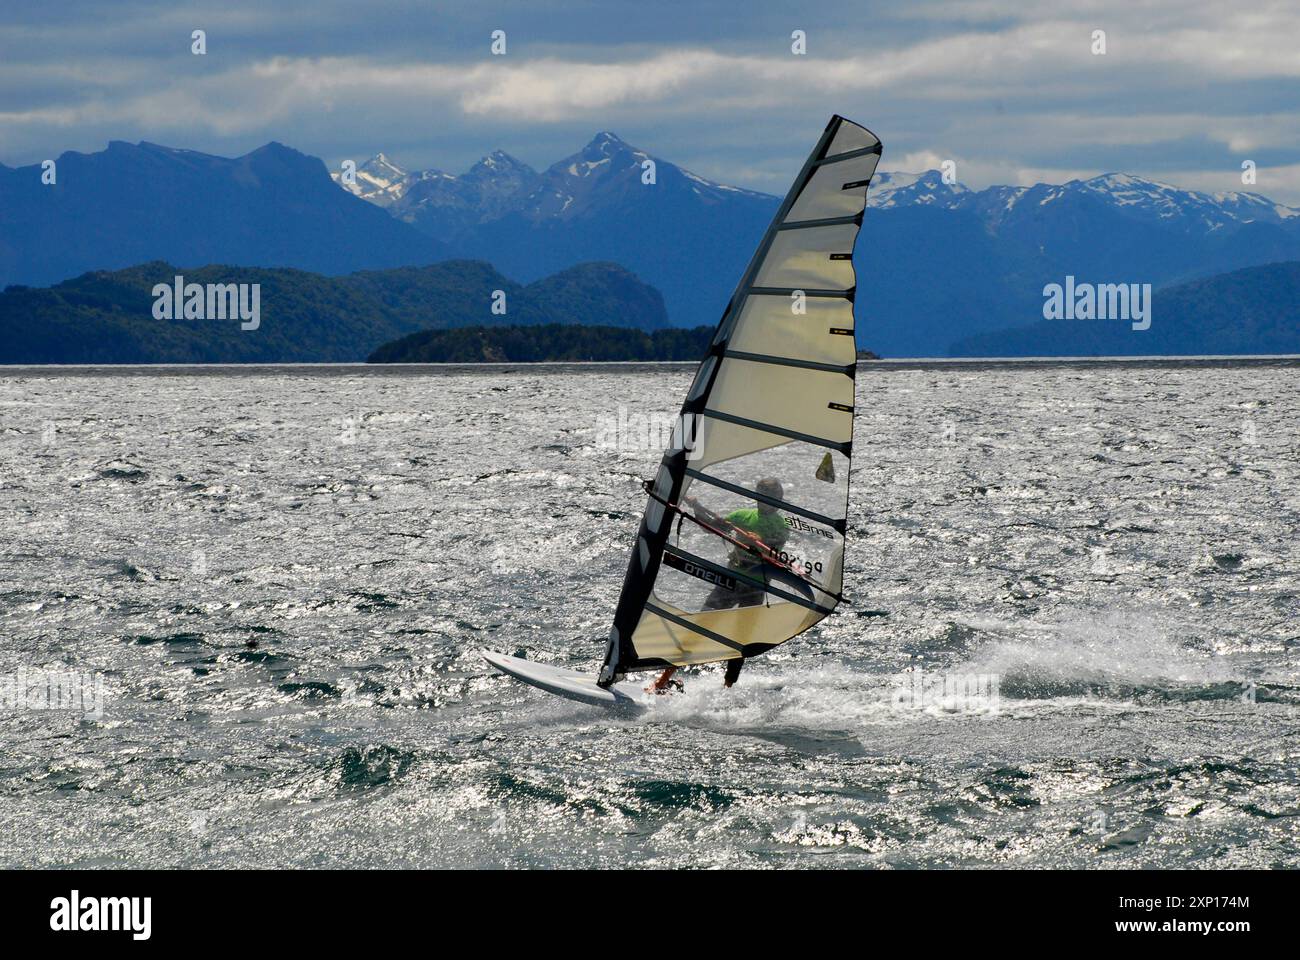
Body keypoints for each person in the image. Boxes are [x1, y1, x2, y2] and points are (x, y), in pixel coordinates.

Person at [649, 478, 788, 693]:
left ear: (779, 500)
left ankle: (727, 687)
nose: (765, 502)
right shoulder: (742, 516)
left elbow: (775, 555)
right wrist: (696, 507)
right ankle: (662, 680)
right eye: (761, 496)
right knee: (700, 625)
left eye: (770, 498)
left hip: (755, 586)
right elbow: (712, 528)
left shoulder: (781, 527)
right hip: (730, 580)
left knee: (741, 639)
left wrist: (758, 542)